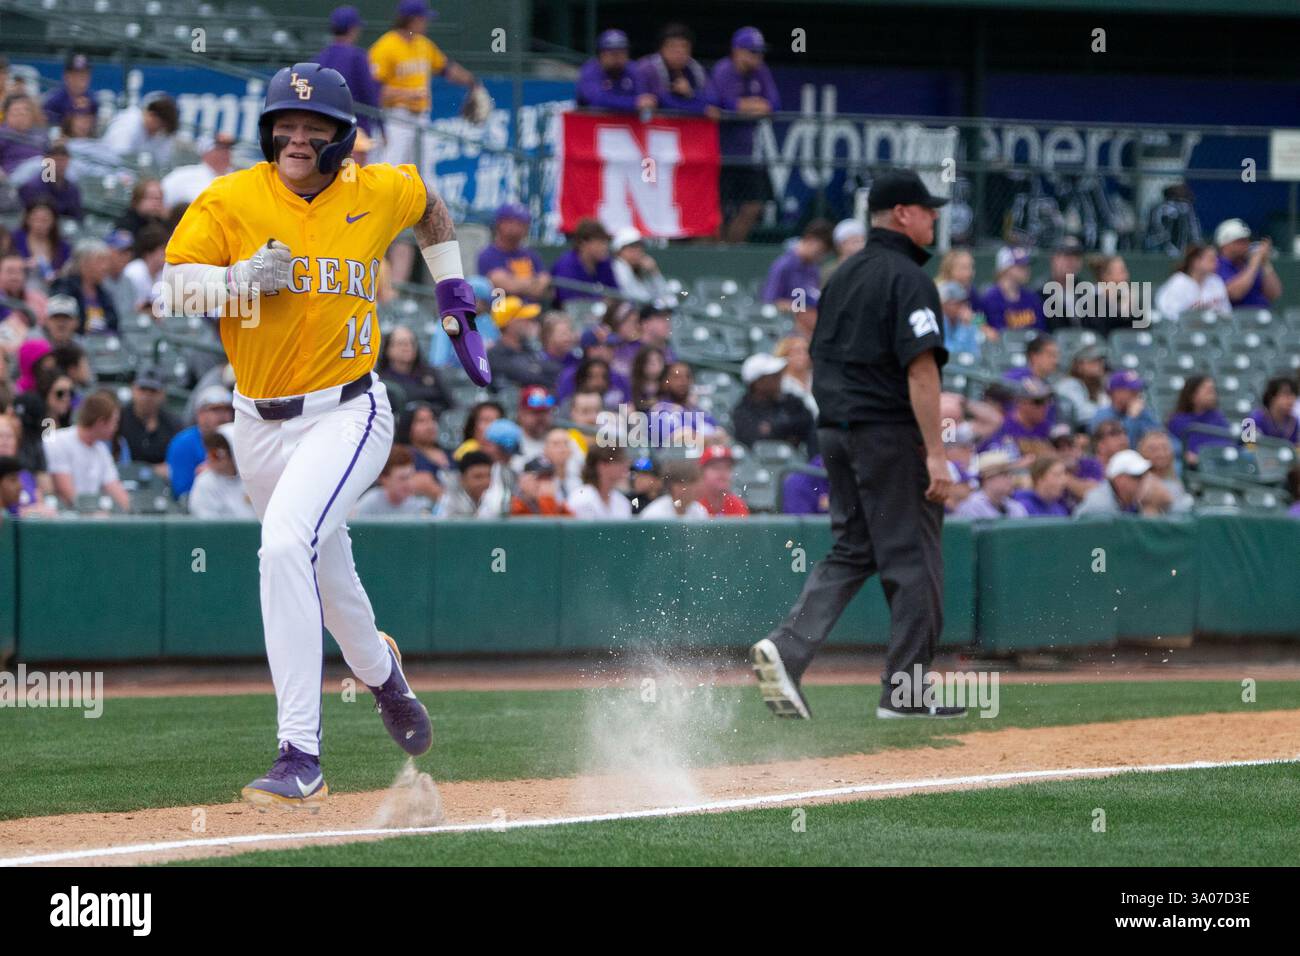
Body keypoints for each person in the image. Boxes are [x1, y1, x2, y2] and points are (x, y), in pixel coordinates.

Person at [161, 63, 493, 805]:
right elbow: (169, 286)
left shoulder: (374, 190)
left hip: (350, 410)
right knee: (329, 580)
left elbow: (431, 207)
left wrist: (452, 291)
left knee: (284, 544)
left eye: (315, 129)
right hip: (257, 423)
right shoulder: (232, 197)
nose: (297, 137)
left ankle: (299, 752)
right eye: (286, 124)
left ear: (344, 139)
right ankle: (382, 674)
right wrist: (238, 278)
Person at [750, 167, 962, 721]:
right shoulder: (910, 279)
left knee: (854, 549)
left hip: (836, 431)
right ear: (901, 214)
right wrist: (936, 452)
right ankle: (907, 691)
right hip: (886, 433)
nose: (934, 217)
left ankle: (787, 649)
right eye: (927, 209)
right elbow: (921, 371)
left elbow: (820, 355)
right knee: (913, 557)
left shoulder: (842, 276)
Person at [369, 1, 485, 282]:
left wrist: (472, 82)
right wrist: (402, 94)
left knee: (425, 175)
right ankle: (382, 209)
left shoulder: (423, 44)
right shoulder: (386, 46)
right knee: (389, 169)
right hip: (395, 117)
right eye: (422, 19)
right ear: (410, 19)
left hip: (420, 119)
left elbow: (446, 68)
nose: (426, 23)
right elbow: (373, 90)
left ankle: (421, 212)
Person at [711, 27, 779, 244]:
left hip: (749, 155)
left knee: (754, 205)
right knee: (718, 209)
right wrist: (755, 106)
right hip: (722, 154)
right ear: (737, 51)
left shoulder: (761, 71)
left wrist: (745, 107)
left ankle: (730, 249)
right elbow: (726, 105)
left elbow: (775, 105)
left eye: (759, 52)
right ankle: (717, 252)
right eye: (752, 52)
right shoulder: (724, 69)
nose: (757, 57)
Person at [43, 389, 130, 511]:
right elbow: (67, 493)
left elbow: (115, 489)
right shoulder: (58, 441)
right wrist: (91, 515)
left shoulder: (102, 450)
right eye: (114, 422)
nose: (116, 428)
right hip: (63, 518)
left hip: (92, 516)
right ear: (101, 422)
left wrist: (131, 511)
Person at [731, 352, 815, 455]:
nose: (779, 378)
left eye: (779, 374)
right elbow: (756, 440)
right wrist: (790, 431)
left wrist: (774, 428)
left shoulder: (791, 400)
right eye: (773, 376)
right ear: (757, 383)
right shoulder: (743, 411)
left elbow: (808, 421)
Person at [316, 6, 382, 135]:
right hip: (356, 127)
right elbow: (369, 94)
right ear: (353, 29)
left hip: (326, 125)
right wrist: (381, 126)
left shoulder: (319, 57)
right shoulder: (358, 56)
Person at [761, 219, 834, 334]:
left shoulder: (813, 268)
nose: (820, 257)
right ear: (810, 240)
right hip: (787, 326)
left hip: (812, 323)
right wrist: (801, 310)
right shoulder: (784, 265)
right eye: (819, 251)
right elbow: (770, 302)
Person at [166, 385, 234, 499]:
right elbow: (182, 494)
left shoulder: (239, 438)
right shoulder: (184, 443)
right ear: (200, 414)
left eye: (227, 409)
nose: (223, 416)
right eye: (215, 410)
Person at [635, 22, 717, 117]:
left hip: (687, 127)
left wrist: (691, 93)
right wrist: (699, 106)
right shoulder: (647, 68)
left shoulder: (696, 69)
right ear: (662, 49)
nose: (679, 51)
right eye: (673, 46)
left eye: (684, 46)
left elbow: (713, 101)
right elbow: (662, 102)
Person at [476, 203, 550, 303]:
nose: (516, 228)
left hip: (532, 311)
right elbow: (505, 285)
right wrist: (533, 282)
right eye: (511, 222)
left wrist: (516, 282)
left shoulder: (531, 255)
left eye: (521, 223)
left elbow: (544, 282)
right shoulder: (488, 255)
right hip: (501, 312)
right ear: (499, 223)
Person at [115, 366, 180, 476]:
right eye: (143, 389)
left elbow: (176, 462)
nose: (147, 395)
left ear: (163, 394)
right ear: (133, 389)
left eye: (153, 391)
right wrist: (152, 470)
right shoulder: (119, 418)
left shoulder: (173, 424)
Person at [376, 324, 452, 414]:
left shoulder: (431, 374)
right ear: (388, 349)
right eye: (401, 343)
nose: (408, 347)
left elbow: (450, 406)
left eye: (412, 343)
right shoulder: (381, 381)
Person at [50, 239, 120, 334]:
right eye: (100, 261)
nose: (105, 267)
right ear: (83, 263)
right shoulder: (64, 288)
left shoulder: (104, 293)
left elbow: (113, 322)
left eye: (106, 262)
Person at [1074, 448, 1171, 517]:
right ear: (1120, 480)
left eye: (1145, 475)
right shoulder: (1100, 507)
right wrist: (1149, 509)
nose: (1144, 481)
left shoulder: (1130, 501)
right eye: (1138, 477)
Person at [189, 425, 257, 519]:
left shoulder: (255, 480)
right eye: (208, 451)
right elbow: (206, 522)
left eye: (216, 454)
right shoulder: (204, 482)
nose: (209, 457)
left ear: (235, 454)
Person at [575, 29, 651, 113]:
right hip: (590, 122)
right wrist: (633, 103)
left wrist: (643, 102)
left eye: (622, 53)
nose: (617, 58)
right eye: (612, 54)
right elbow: (597, 100)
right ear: (601, 55)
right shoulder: (590, 70)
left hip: (627, 123)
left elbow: (644, 99)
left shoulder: (633, 69)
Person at [1166, 374, 1232, 466]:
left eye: (1214, 391)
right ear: (1192, 395)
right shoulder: (1177, 422)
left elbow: (1229, 443)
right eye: (1208, 391)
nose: (1213, 396)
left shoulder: (1217, 417)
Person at [1214, 218, 1281, 309]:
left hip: (1261, 316)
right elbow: (1235, 294)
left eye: (1247, 241)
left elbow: (1274, 293)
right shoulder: (1217, 264)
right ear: (1225, 244)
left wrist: (1265, 263)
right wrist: (1254, 262)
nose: (1246, 245)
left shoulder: (1247, 263)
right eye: (1240, 242)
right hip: (1236, 318)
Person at [101, 93, 181, 169]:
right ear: (151, 115)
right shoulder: (129, 123)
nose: (158, 131)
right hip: (107, 168)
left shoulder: (160, 133)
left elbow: (163, 164)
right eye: (159, 125)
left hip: (133, 173)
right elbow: (120, 157)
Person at [551, 218, 618, 306]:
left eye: (606, 242)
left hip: (602, 315)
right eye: (600, 243)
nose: (604, 247)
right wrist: (602, 302)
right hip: (568, 316)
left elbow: (617, 295)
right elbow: (570, 303)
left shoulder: (605, 263)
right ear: (583, 243)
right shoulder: (566, 265)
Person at [160, 132, 237, 208]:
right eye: (219, 148)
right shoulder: (183, 175)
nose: (225, 153)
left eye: (228, 148)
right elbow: (161, 200)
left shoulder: (236, 180)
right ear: (206, 151)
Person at [352, 444, 431, 517]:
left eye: (411, 476)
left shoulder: (420, 505)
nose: (409, 483)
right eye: (403, 478)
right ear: (384, 479)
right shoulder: (369, 504)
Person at [979, 245, 1046, 332]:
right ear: (1006, 269)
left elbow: (1041, 332)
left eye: (1026, 266)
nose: (1027, 270)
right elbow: (978, 323)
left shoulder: (1032, 298)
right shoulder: (989, 299)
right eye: (1021, 266)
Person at [1155, 242, 1231, 318]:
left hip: (1213, 328)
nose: (1216, 262)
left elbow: (1227, 312)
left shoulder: (1216, 281)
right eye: (1211, 259)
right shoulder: (1179, 282)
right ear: (1196, 262)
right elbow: (1168, 314)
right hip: (1181, 328)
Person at [486, 296, 548, 387]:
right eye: (526, 319)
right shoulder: (495, 354)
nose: (531, 323)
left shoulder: (529, 347)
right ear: (510, 323)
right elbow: (527, 375)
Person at [1090, 370, 1161, 449]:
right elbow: (1119, 447)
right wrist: (1131, 417)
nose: (1137, 394)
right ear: (1116, 393)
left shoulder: (1143, 413)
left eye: (1138, 390)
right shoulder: (1102, 416)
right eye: (1132, 391)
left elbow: (1162, 437)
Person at [17, 144, 83, 221]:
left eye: (63, 160)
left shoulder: (73, 189)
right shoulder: (32, 187)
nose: (60, 165)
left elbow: (76, 217)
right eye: (56, 160)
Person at [11, 201, 70, 286]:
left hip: (52, 289)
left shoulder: (63, 246)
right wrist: (23, 264)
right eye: (35, 219)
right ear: (27, 219)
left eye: (45, 220)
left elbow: (67, 272)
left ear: (53, 221)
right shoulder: (15, 238)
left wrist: (58, 276)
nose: (40, 224)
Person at [568, 444, 632, 519]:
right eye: (619, 462)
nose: (625, 467)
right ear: (602, 466)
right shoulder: (581, 499)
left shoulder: (623, 502)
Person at [1137, 429, 1193, 513]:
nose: (1161, 454)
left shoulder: (1176, 480)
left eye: (1165, 448)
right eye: (1153, 449)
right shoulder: (1141, 482)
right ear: (1142, 452)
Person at [1039, 236, 1086, 331]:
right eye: (1066, 256)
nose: (1072, 261)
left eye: (1076, 256)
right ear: (1053, 259)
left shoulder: (1087, 293)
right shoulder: (1040, 293)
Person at [610, 228, 670, 301]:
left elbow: (664, 294)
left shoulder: (642, 269)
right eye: (632, 247)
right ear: (619, 251)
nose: (637, 251)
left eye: (640, 246)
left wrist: (654, 272)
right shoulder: (618, 267)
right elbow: (638, 298)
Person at [1055, 344, 1109, 423]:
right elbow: (1081, 414)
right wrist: (1109, 413)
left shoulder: (1098, 385)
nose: (1099, 365)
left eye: (1100, 361)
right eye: (1093, 361)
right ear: (1079, 366)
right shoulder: (1068, 385)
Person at [437, 448, 498, 518]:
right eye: (478, 477)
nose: (485, 482)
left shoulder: (495, 496)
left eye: (489, 476)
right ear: (462, 479)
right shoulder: (450, 501)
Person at [639, 459, 708, 520]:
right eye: (692, 482)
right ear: (676, 487)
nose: (699, 486)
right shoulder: (654, 515)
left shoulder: (699, 510)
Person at [695, 443, 750, 517]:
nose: (722, 473)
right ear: (702, 473)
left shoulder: (737, 505)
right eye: (716, 467)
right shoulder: (692, 505)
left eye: (727, 468)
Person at [0, 94, 47, 176]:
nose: (22, 113)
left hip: (42, 175)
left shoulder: (40, 135)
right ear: (7, 114)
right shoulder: (2, 134)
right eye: (16, 110)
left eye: (26, 110)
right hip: (13, 175)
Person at [1247, 376, 1299, 445]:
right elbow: (1248, 448)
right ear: (1272, 396)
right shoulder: (1253, 419)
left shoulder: (1294, 422)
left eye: (1293, 395)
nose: (1291, 400)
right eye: (1286, 394)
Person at [775, 335, 816, 419]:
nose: (802, 355)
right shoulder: (780, 383)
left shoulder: (816, 378)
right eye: (797, 351)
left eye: (805, 351)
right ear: (785, 354)